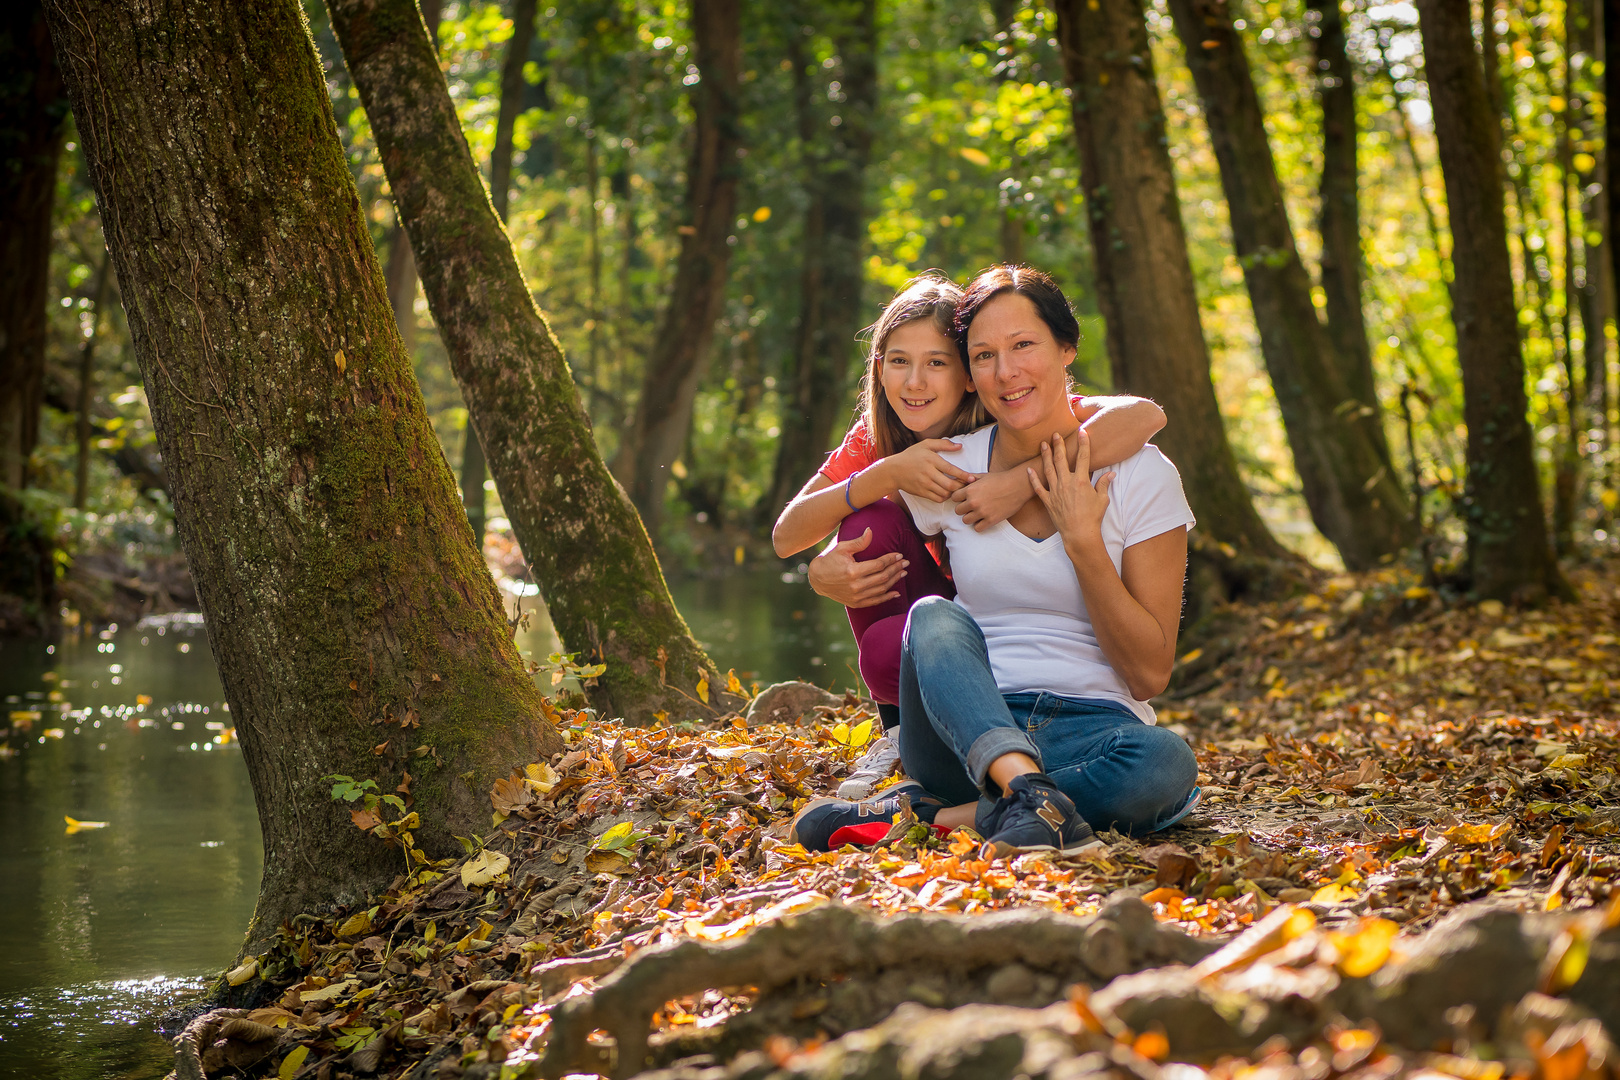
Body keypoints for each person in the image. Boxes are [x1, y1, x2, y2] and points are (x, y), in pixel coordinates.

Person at [791, 265, 1200, 856]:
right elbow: (859, 526)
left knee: (1164, 764)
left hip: (1093, 730)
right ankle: (1028, 800)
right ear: (970, 375)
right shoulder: (950, 462)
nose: (1005, 371)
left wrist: (1084, 544)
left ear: (1066, 349)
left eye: (1024, 345)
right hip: (965, 725)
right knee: (933, 616)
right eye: (983, 355)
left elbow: (1148, 676)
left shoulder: (1142, 474)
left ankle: (940, 818)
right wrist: (822, 566)